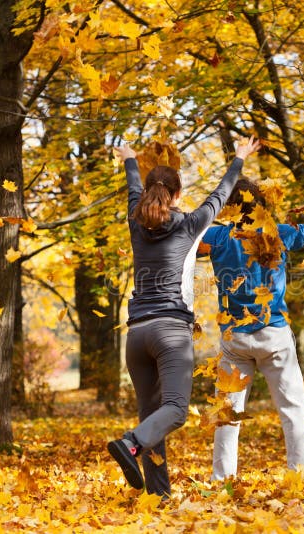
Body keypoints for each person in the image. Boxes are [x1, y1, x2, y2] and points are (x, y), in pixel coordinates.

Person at [107, 136, 261, 497]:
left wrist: (130, 159)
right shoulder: (190, 224)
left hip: (137, 335)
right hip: (170, 332)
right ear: (177, 195)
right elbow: (221, 194)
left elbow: (132, 187)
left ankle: (157, 496)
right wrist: (239, 157)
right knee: (175, 410)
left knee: (152, 418)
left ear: (147, 194)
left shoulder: (135, 219)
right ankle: (130, 443)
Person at [200, 154, 304, 481]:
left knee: (228, 415)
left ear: (229, 207)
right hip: (274, 335)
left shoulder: (218, 238)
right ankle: (301, 478)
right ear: (261, 205)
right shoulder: (279, 234)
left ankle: (222, 481)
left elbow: (181, 239)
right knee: (292, 411)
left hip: (235, 338)